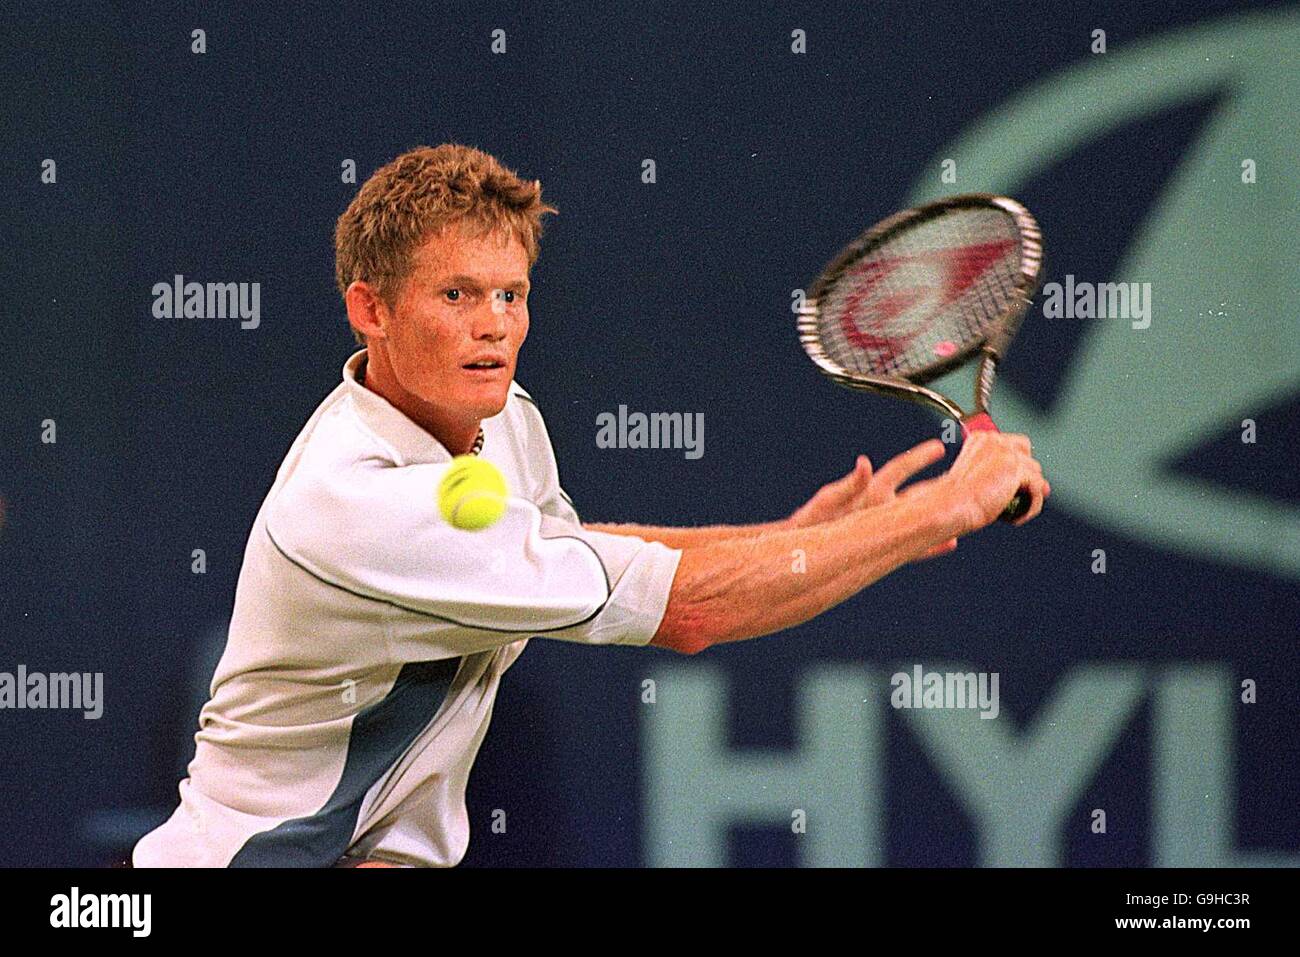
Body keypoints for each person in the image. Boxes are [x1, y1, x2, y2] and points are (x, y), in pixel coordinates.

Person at [131, 143, 1048, 868]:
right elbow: (688, 610)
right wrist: (942, 507)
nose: (495, 324)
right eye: (457, 294)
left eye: (511, 293)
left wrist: (804, 535)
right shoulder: (359, 498)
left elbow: (571, 551)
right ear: (370, 308)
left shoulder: (503, 419)